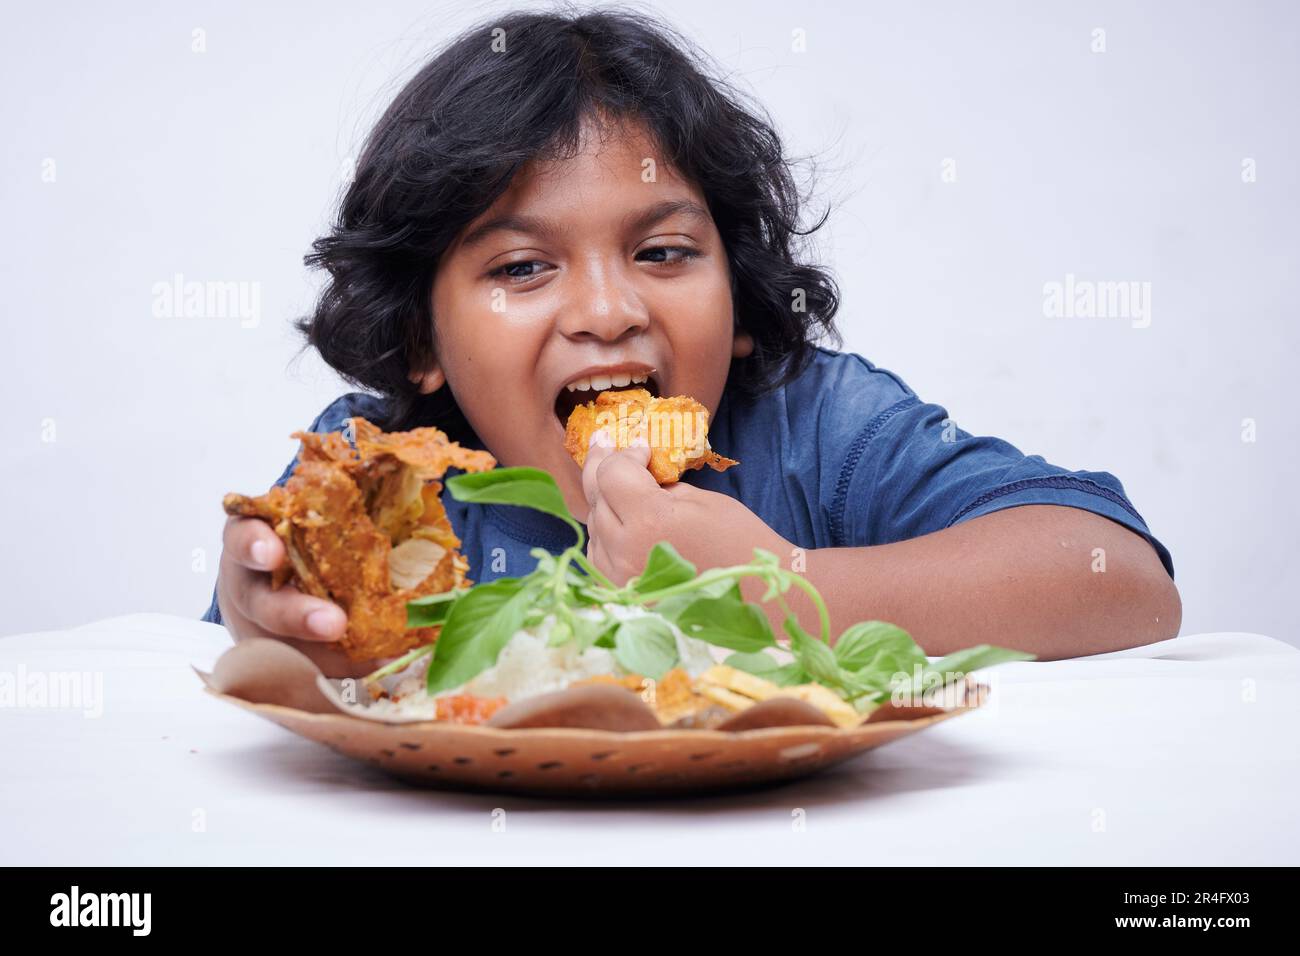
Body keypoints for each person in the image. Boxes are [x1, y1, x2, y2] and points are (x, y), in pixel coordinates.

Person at [206, 10, 1179, 676]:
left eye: (662, 250)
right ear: (419, 336)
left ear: (740, 291)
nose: (606, 309)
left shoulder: (811, 427)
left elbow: (1118, 579)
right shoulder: (378, 475)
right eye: (521, 268)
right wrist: (261, 612)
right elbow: (256, 655)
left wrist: (787, 587)